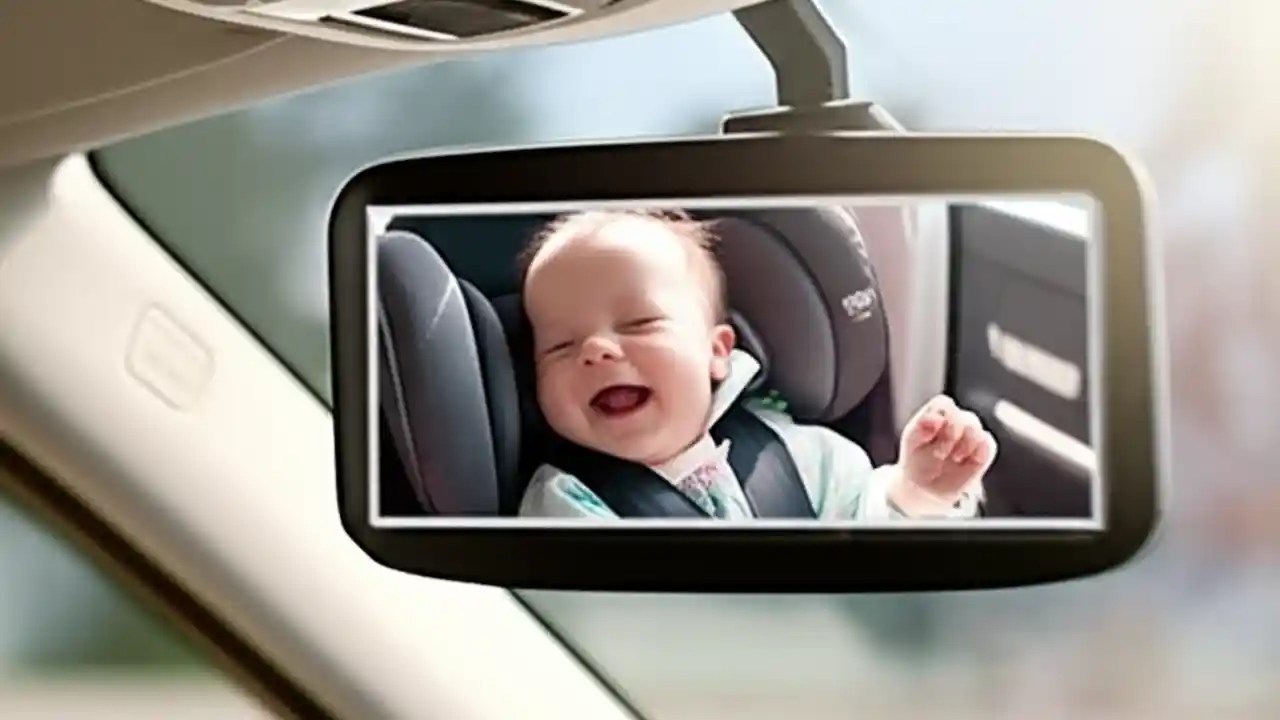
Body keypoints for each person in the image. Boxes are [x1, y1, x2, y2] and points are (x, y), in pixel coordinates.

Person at [515, 208, 997, 519]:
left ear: (717, 352)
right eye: (560, 346)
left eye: (639, 323)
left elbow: (873, 544)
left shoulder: (810, 459)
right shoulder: (565, 501)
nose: (596, 349)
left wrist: (918, 493)